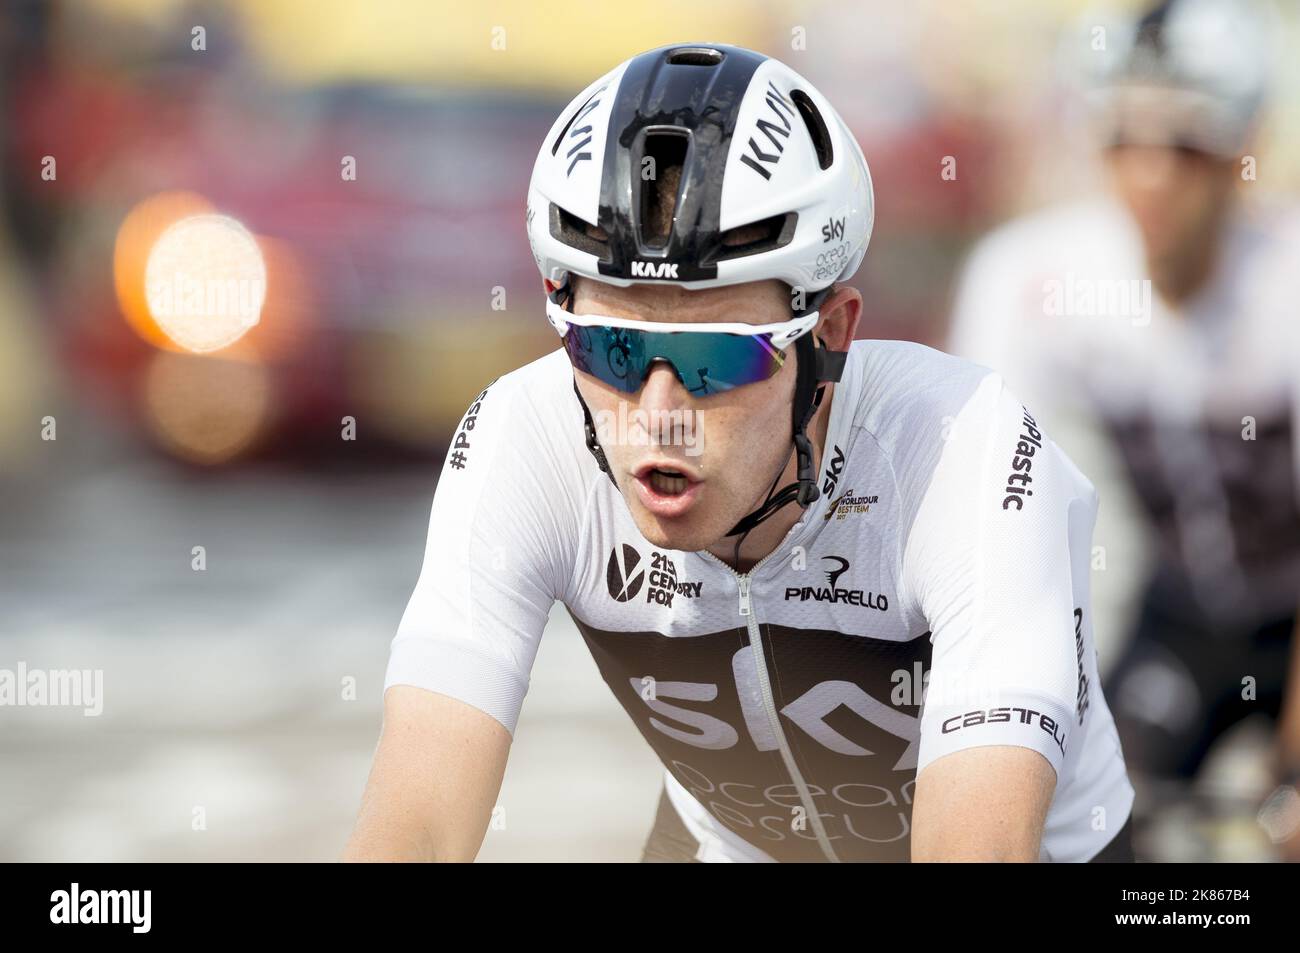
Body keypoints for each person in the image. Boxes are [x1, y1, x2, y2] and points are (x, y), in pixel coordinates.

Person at [344, 42, 1134, 863]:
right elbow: (418, 831)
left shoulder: (962, 445)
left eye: (712, 358)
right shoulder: (522, 437)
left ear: (829, 338)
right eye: (610, 347)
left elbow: (977, 851)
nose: (657, 418)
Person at [948, 0, 1300, 858]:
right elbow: (981, 519)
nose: (1151, 174)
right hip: (1181, 616)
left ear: (1240, 151)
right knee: (1086, 818)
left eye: (1186, 144)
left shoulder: (1286, 285)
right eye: (1123, 139)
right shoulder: (1035, 275)